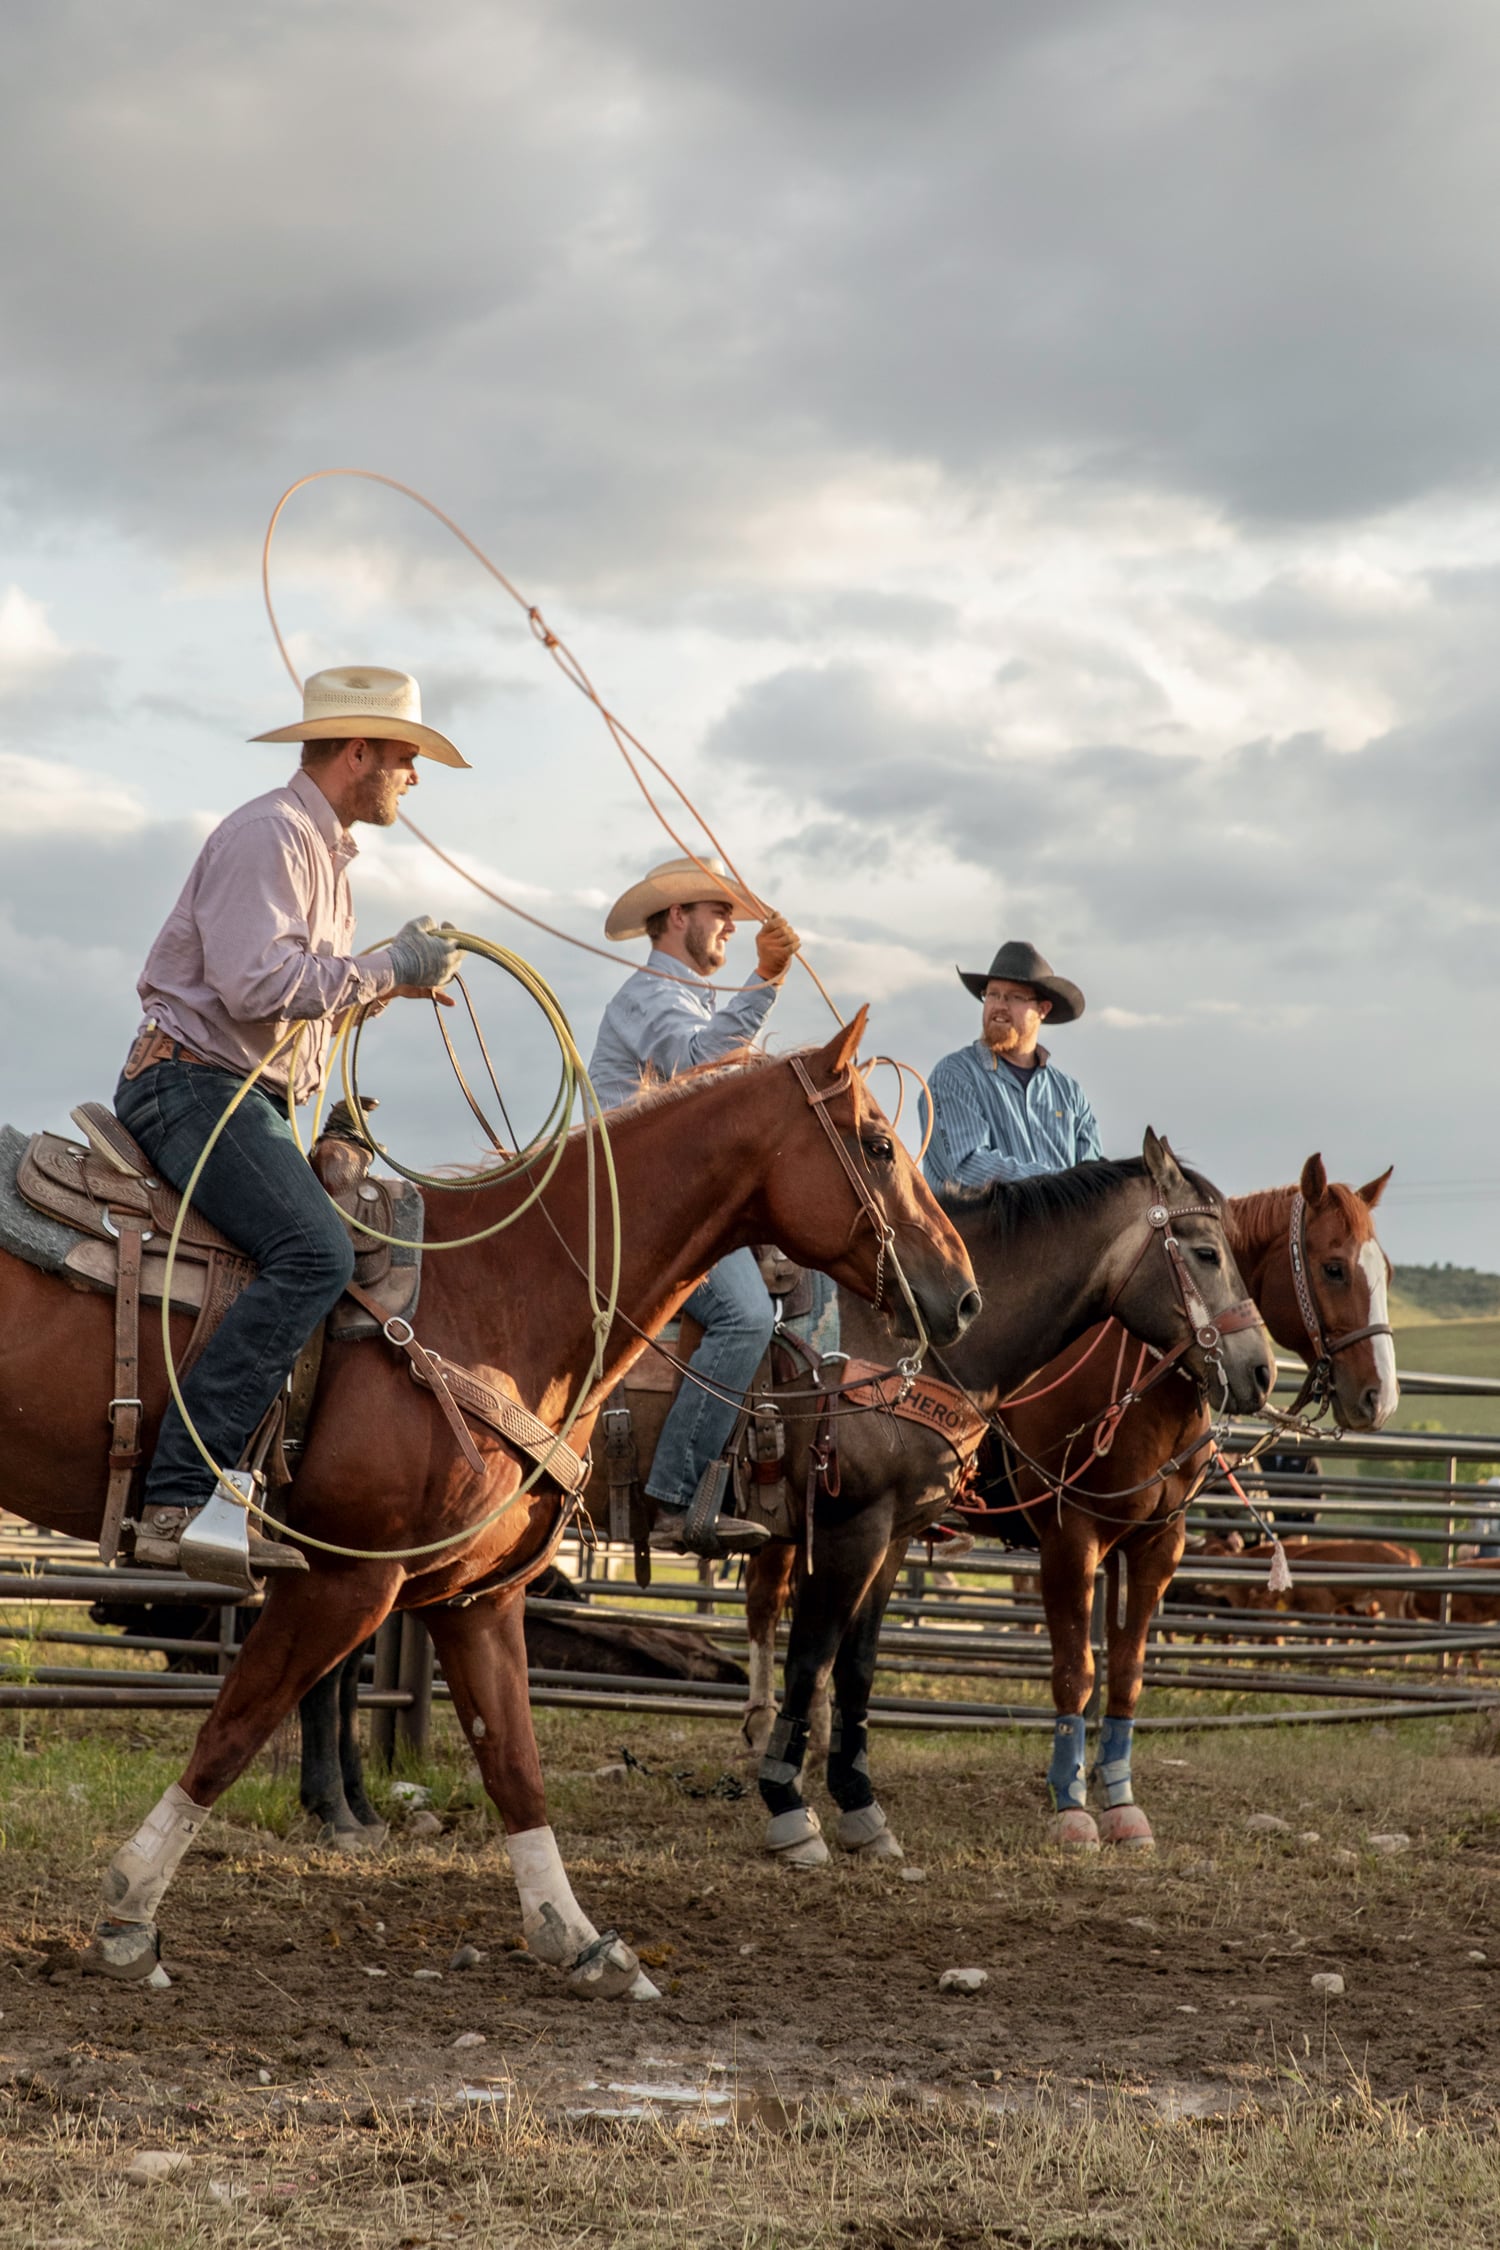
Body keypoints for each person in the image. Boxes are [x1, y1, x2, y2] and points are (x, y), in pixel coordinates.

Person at [115, 666, 470, 1572]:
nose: (414, 777)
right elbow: (256, 984)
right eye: (405, 757)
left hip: (236, 1090)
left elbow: (289, 998)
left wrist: (377, 990)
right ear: (359, 753)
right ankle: (180, 1498)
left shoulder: (320, 853)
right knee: (315, 1251)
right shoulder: (273, 836)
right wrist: (387, 967)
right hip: (193, 1085)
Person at [589, 855, 801, 1556]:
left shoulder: (687, 997)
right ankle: (678, 1498)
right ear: (678, 917)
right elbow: (695, 1063)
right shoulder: (651, 991)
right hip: (640, 1203)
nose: (733, 928)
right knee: (746, 1316)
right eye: (721, 915)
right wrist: (766, 979)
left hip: (672, 1198)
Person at [921, 940, 1100, 1191]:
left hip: (1069, 1231)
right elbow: (964, 1168)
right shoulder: (953, 1076)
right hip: (980, 1231)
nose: (1000, 1006)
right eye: (993, 994)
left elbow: (1095, 1187)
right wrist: (1061, 1186)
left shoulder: (1070, 1094)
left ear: (1043, 1009)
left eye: (1015, 997)